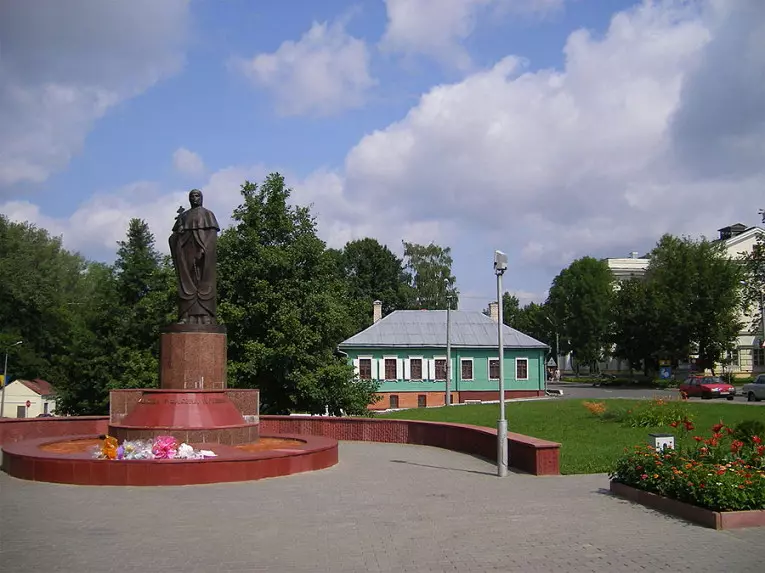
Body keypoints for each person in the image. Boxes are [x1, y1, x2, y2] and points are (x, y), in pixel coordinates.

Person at [169, 189, 220, 324]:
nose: (194, 198)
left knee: (204, 284)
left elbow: (212, 237)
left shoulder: (208, 214)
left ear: (201, 198)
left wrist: (205, 250)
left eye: (197, 196)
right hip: (186, 254)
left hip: (204, 255)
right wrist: (178, 234)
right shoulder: (183, 216)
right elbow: (174, 238)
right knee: (187, 284)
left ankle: (206, 316)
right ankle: (185, 316)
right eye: (191, 196)